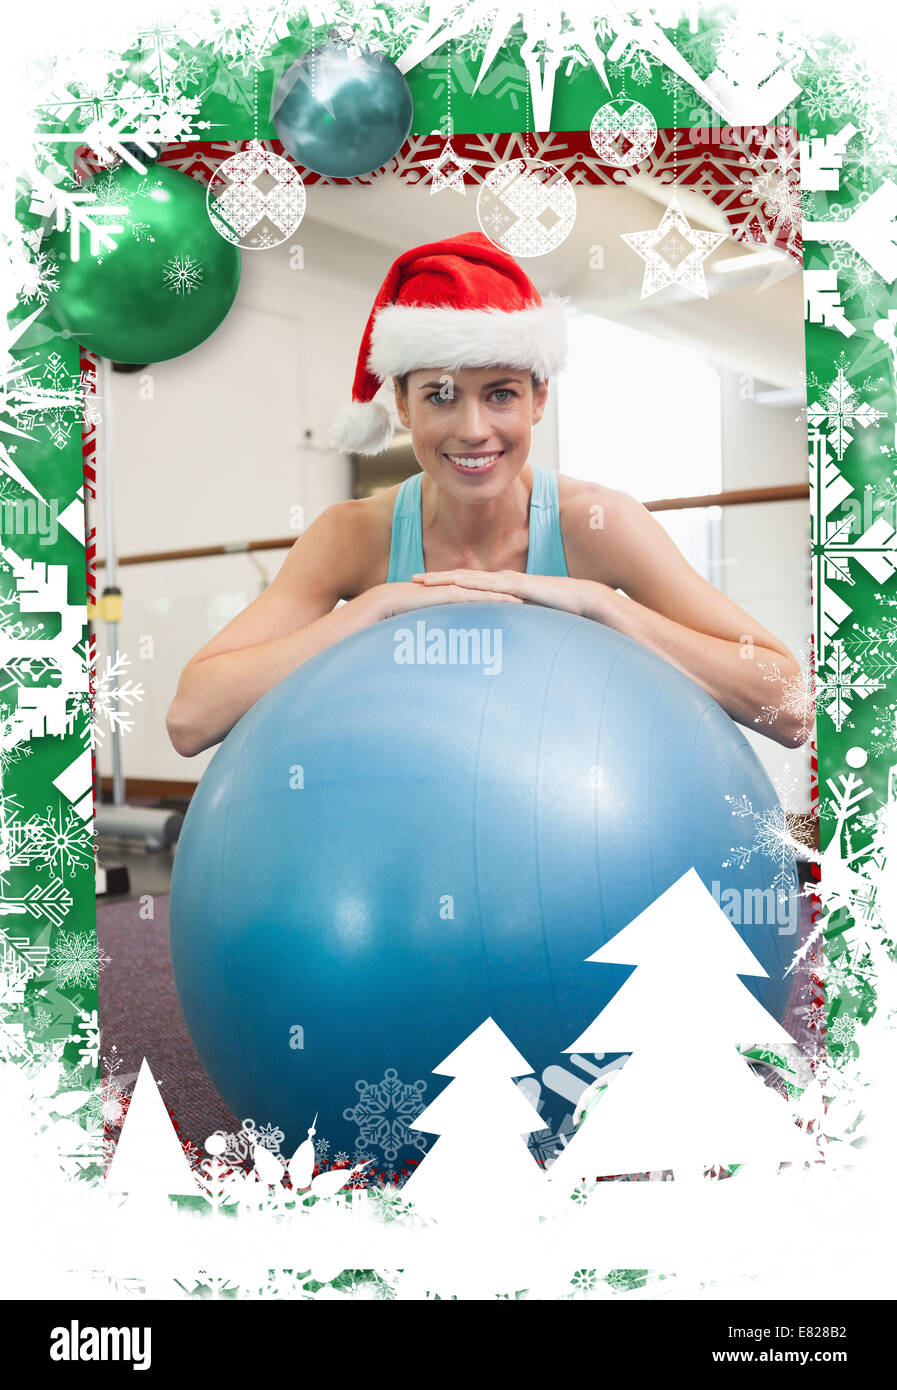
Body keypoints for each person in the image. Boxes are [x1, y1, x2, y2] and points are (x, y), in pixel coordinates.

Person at [166, 231, 809, 759]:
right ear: (402, 405)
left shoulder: (599, 522)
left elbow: (797, 711)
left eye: (500, 392)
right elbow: (191, 720)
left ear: (539, 400)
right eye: (440, 395)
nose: (473, 430)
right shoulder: (352, 535)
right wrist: (373, 609)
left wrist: (598, 606)